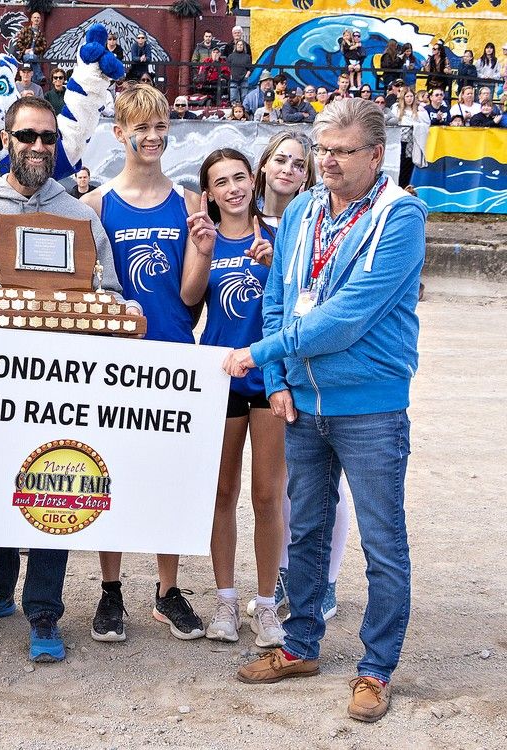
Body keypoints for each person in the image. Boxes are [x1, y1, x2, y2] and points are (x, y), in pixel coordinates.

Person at [228, 97, 426, 724]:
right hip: (302, 404)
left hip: (370, 407)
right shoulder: (304, 211)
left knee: (382, 540)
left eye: (342, 152)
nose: (329, 163)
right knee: (306, 529)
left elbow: (344, 321)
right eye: (323, 150)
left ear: (376, 154)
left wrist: (259, 354)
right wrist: (279, 377)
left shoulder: (402, 218)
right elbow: (281, 296)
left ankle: (375, 669)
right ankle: (300, 644)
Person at [0, 96, 129, 661]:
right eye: (26, 137)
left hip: (59, 381)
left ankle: (44, 607)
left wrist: (101, 316)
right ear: (7, 141)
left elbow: (107, 290)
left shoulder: (81, 215)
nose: (37, 147)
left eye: (46, 138)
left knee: (53, 486)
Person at [78, 84, 202, 645]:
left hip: (175, 351)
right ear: (119, 133)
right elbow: (89, 290)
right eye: (141, 128)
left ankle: (166, 590)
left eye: (161, 125)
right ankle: (110, 588)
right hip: (115, 360)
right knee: (109, 473)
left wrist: (201, 250)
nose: (153, 137)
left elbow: (191, 294)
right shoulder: (97, 205)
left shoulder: (188, 200)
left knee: (168, 478)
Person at [181, 148, 284, 647]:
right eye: (220, 182)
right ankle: (224, 599)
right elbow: (188, 299)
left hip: (268, 377)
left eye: (239, 177)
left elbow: (304, 298)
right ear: (210, 193)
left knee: (267, 495)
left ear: (253, 179)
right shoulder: (203, 236)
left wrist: (278, 260)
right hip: (219, 377)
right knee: (221, 492)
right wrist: (202, 250)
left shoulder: (279, 233)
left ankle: (266, 605)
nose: (233, 188)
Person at [249, 131, 353, 621]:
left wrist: (281, 271)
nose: (289, 169)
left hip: (308, 367)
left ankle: (323, 580)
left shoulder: (321, 221)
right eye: (281, 159)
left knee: (318, 481)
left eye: (299, 162)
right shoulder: (233, 216)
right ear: (264, 165)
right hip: (258, 366)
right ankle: (290, 571)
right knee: (279, 487)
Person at [13, 10, 47, 85]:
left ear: (40, 20)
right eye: (35, 17)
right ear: (31, 19)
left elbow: (44, 46)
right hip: (25, 55)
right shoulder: (25, 30)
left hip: (35, 56)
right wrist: (25, 50)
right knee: (31, 58)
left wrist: (35, 50)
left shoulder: (41, 33)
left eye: (38, 18)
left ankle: (33, 81)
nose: (36, 19)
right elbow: (18, 43)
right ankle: (39, 76)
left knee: (32, 60)